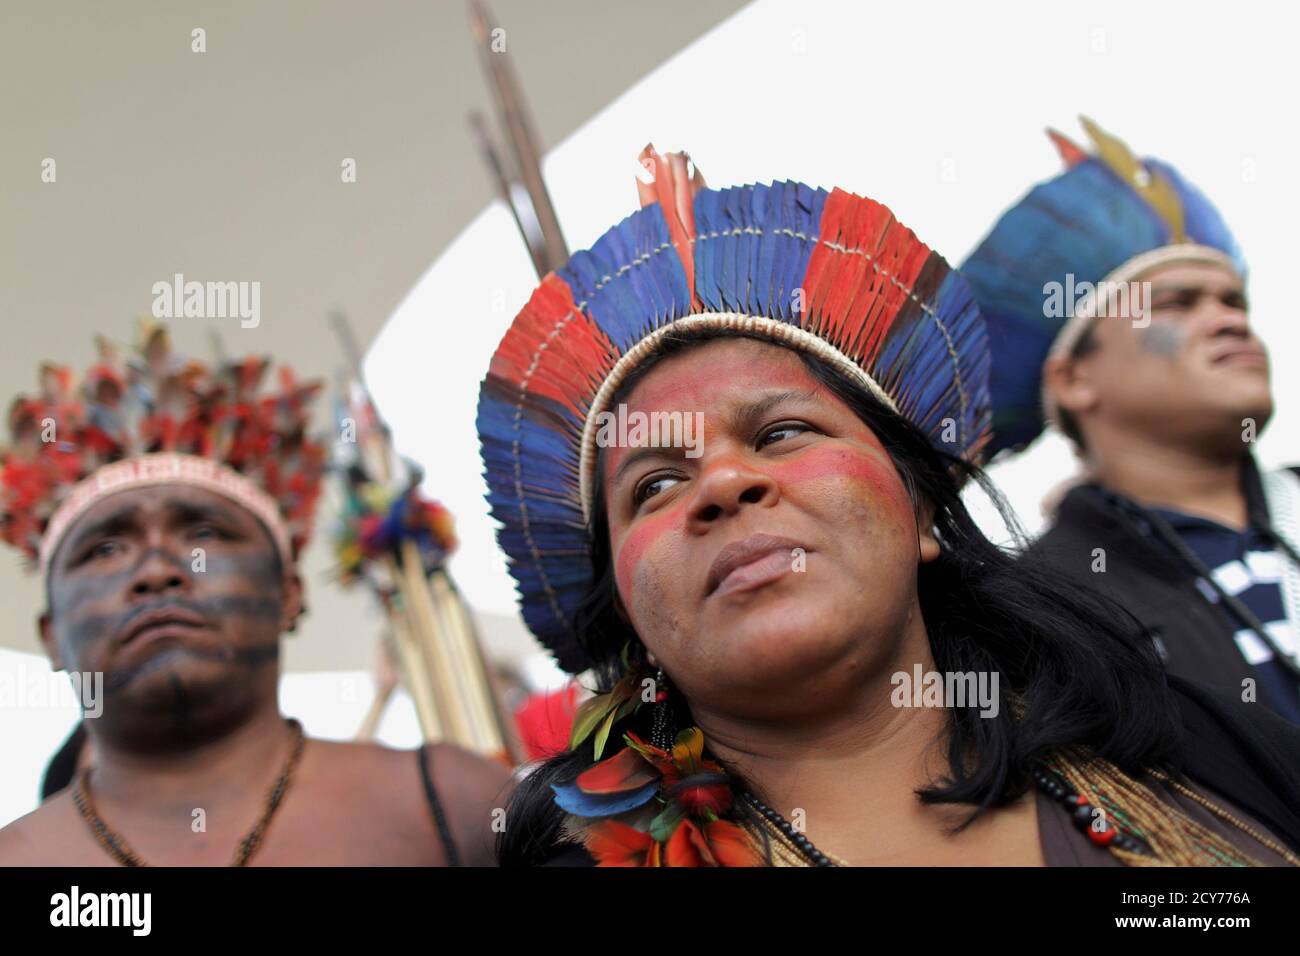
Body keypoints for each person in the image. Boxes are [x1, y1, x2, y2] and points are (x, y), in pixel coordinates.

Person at [477, 146, 1300, 867]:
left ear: (921, 512)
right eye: (654, 485)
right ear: (626, 607)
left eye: (782, 432)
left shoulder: (1182, 739)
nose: (724, 484)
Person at [0, 327, 510, 865]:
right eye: (105, 549)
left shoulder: (454, 804)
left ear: (289, 593)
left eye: (203, 533)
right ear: (51, 636)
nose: (157, 570)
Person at [962, 118, 1300, 724]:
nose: (1230, 320)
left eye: (1234, 302)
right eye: (1177, 304)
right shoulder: (1043, 616)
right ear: (1073, 379)